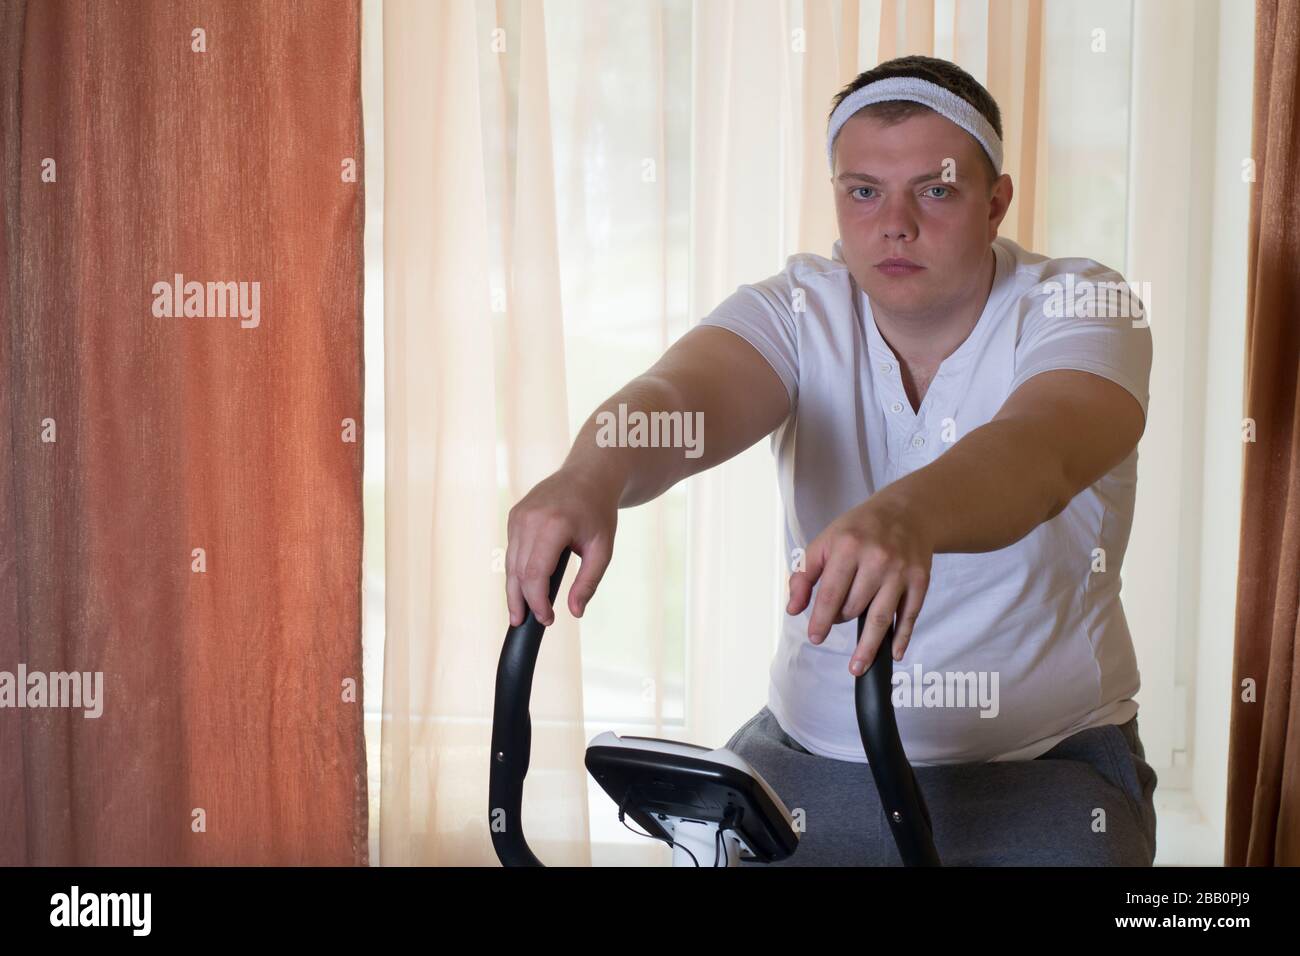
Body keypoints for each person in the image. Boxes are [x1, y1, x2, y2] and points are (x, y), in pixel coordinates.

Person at [504, 54, 1157, 866]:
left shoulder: (1081, 305)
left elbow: (1044, 448)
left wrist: (908, 513)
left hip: (1037, 769)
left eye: (937, 189)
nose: (895, 223)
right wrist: (590, 472)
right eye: (864, 191)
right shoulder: (800, 306)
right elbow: (678, 396)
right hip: (806, 760)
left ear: (996, 204)